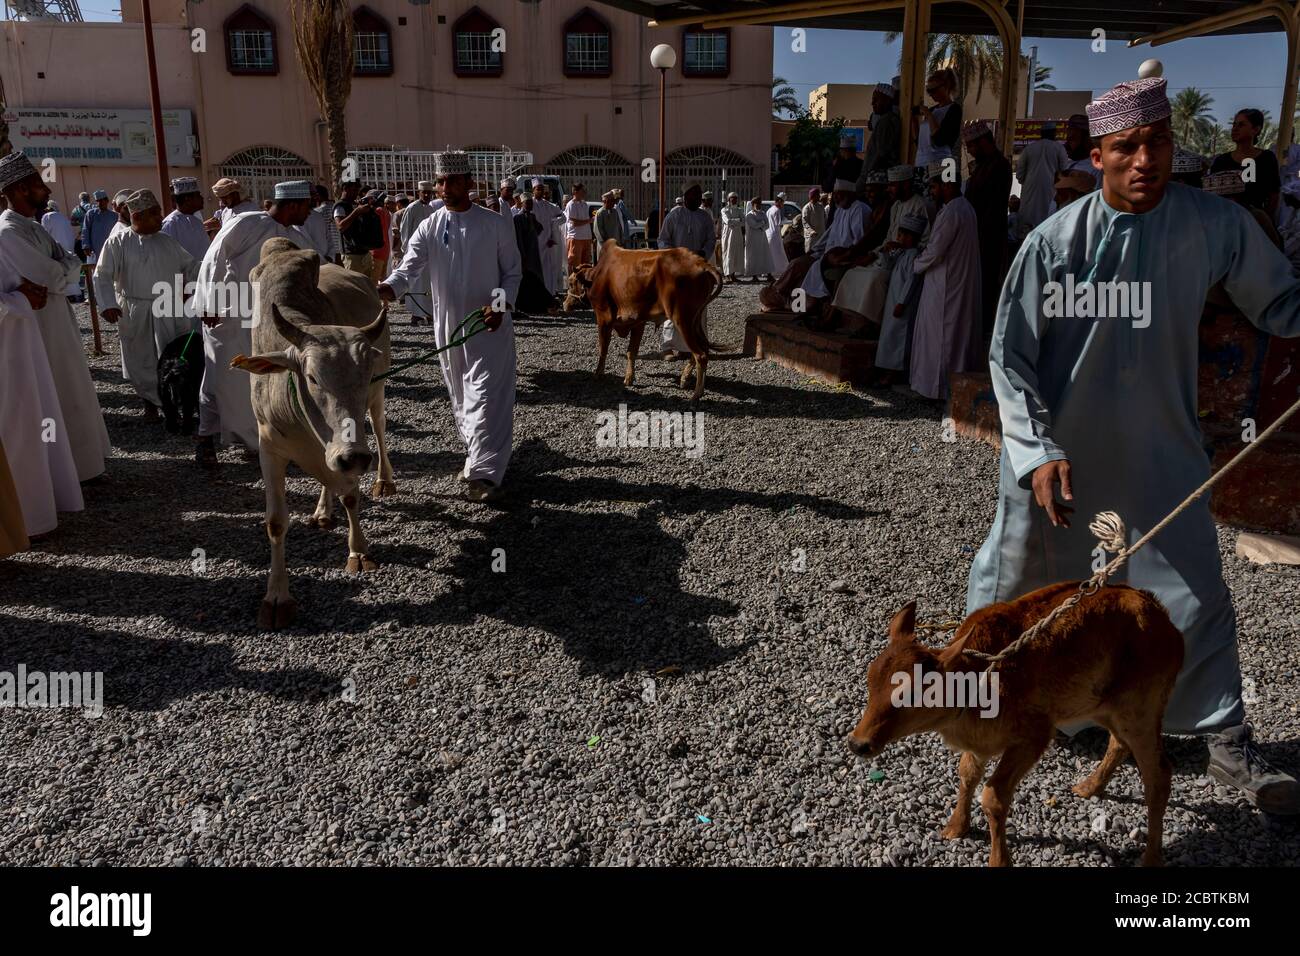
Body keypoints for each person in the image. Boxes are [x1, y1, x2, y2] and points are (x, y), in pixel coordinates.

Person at [971, 77, 1300, 813]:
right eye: (1126, 148)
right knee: (1033, 591)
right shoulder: (1053, 244)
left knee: (1193, 591)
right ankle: (1037, 717)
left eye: (1157, 144)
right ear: (1096, 155)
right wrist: (1035, 451)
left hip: (1162, 449)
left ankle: (1225, 740)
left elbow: (1279, 299)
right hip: (1061, 461)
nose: (1144, 161)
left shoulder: (1212, 225)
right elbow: (1008, 358)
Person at [378, 150, 522, 503]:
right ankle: (477, 456)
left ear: (469, 184)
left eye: (451, 181)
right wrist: (389, 288)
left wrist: (501, 305)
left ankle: (484, 473)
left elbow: (513, 271)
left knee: (485, 395)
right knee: (461, 395)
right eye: (440, 181)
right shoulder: (430, 224)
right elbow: (409, 266)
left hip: (488, 326)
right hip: (447, 328)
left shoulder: (495, 222)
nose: (444, 187)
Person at [0, 152, 111, 483]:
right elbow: (52, 275)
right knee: (53, 395)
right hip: (36, 329)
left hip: (56, 319)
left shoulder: (31, 227)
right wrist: (65, 271)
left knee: (72, 388)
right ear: (19, 189)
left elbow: (69, 265)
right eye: (38, 184)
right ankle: (60, 474)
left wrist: (65, 271)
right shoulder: (8, 233)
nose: (46, 190)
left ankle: (80, 465)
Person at [189, 180, 311, 468]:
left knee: (258, 380)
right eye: (306, 206)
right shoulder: (246, 223)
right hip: (227, 314)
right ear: (292, 205)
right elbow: (212, 260)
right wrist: (208, 303)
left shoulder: (296, 236)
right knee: (223, 380)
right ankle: (210, 439)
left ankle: (257, 442)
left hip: (264, 321)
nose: (309, 212)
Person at [0, 230, 83, 537]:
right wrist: (21, 299)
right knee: (16, 428)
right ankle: (23, 518)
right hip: (8, 353)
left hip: (16, 349)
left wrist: (21, 289)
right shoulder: (8, 231)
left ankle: (29, 513)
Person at [93, 188, 199, 420]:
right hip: (135, 310)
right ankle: (149, 405)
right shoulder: (118, 242)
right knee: (141, 358)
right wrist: (108, 304)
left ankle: (173, 403)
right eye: (155, 213)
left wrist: (195, 288)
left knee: (172, 357)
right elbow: (102, 274)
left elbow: (191, 266)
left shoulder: (168, 242)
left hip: (168, 308)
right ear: (137, 217)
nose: (161, 217)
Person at [909, 161, 981, 400]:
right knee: (954, 334)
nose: (932, 191)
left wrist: (915, 264)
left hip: (946, 285)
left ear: (946, 184)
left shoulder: (952, 211)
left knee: (941, 336)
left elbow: (936, 250)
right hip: (955, 281)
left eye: (934, 186)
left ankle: (937, 390)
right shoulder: (966, 207)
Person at [963, 120, 1014, 339]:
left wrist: (977, 237)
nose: (970, 152)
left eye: (972, 146)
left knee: (986, 286)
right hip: (976, 237)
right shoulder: (983, 166)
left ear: (983, 142)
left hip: (988, 238)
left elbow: (991, 208)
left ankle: (983, 334)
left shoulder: (999, 166)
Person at [866, 212, 927, 386]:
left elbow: (911, 281)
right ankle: (886, 371)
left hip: (902, 304)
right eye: (899, 234)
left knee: (898, 338)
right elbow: (886, 265)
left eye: (903, 235)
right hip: (893, 301)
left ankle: (894, 374)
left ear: (912, 237)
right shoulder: (902, 253)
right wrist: (886, 251)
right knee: (889, 337)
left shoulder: (915, 255)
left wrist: (902, 302)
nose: (900, 238)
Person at [657, 182, 716, 354]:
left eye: (699, 196)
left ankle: (694, 345)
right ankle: (668, 346)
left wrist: (703, 253)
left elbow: (711, 239)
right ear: (685, 197)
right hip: (677, 269)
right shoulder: (674, 215)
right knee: (673, 306)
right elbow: (663, 240)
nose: (698, 199)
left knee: (698, 306)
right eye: (694, 195)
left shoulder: (705, 217)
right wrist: (675, 255)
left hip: (697, 268)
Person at [1210, 108, 1281, 217]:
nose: (1234, 129)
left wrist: (1262, 222)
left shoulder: (1267, 158)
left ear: (1256, 129)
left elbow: (1274, 195)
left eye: (1241, 125)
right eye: (1234, 125)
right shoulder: (1221, 161)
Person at [399, 179, 444, 325]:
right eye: (424, 192)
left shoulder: (431, 209)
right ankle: (416, 314)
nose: (426, 195)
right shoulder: (412, 208)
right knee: (416, 284)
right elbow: (404, 230)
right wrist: (407, 251)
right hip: (415, 252)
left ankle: (428, 313)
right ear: (419, 193)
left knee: (427, 285)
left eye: (429, 193)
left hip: (429, 253)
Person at [1016, 121, 1068, 239]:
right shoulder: (1059, 149)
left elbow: (1019, 174)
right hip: (1051, 193)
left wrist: (1029, 183)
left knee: (1026, 232)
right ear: (1054, 133)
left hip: (1029, 194)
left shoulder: (1029, 149)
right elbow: (1065, 171)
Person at [914, 69, 963, 168]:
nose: (931, 94)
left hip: (942, 164)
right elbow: (920, 141)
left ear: (946, 87)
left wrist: (928, 115)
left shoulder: (954, 109)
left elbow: (940, 140)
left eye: (934, 90)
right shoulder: (932, 110)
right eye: (928, 91)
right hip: (922, 164)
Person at [333, 180, 383, 277]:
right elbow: (340, 226)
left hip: (365, 253)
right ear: (345, 189)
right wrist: (356, 212)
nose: (356, 193)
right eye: (354, 190)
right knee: (356, 287)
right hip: (352, 256)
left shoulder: (355, 204)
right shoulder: (340, 206)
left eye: (357, 190)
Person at [858, 83, 901, 183]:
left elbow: (881, 154)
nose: (872, 103)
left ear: (887, 100)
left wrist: (867, 177)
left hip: (876, 179)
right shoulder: (885, 120)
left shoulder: (886, 121)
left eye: (876, 100)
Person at [161, 176, 211, 261]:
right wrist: (178, 275)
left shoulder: (196, 221)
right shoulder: (171, 224)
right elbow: (169, 258)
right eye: (198, 195)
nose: (202, 198)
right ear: (187, 199)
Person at [531, 182, 565, 295]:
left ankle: (549, 294)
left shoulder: (548, 205)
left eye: (541, 189)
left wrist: (554, 224)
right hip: (534, 244)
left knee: (548, 270)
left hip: (547, 244)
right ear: (533, 190)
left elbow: (563, 217)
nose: (540, 191)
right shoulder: (529, 204)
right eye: (538, 189)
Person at [1063, 114, 1102, 189]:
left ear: (1087, 139)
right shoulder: (1065, 163)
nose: (1068, 144)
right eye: (1068, 139)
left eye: (1073, 139)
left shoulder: (1096, 170)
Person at [81, 189, 118, 264]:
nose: (100, 203)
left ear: (107, 200)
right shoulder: (91, 214)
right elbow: (85, 230)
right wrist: (86, 246)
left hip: (111, 247)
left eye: (102, 200)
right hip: (95, 248)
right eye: (98, 201)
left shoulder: (114, 215)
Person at [565, 184, 594, 273]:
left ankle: (583, 285)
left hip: (586, 238)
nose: (584, 193)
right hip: (576, 238)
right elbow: (574, 223)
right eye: (582, 191)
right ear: (575, 192)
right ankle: (573, 284)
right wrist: (589, 221)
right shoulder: (571, 205)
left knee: (586, 264)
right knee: (574, 264)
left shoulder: (584, 204)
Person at [743, 197, 774, 281]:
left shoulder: (763, 213)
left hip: (762, 238)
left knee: (765, 256)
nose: (759, 206)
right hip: (753, 239)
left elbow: (767, 225)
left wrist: (761, 225)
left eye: (760, 204)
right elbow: (754, 225)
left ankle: (769, 274)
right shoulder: (749, 215)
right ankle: (754, 276)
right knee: (754, 257)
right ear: (753, 205)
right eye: (757, 204)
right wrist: (762, 223)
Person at [313, 184, 343, 265]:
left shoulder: (317, 212)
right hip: (342, 250)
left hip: (328, 253)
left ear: (317, 196)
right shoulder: (338, 208)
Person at [720, 192, 745, 281]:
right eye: (732, 198)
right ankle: (727, 274)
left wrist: (734, 222)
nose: (734, 200)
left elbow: (743, 222)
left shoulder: (739, 210)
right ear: (728, 199)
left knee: (736, 254)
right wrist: (737, 220)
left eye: (735, 198)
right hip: (728, 234)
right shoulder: (724, 210)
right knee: (728, 253)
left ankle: (733, 275)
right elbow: (728, 221)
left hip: (737, 234)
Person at [369, 190, 393, 283]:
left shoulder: (378, 211)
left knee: (373, 283)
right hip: (385, 250)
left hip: (376, 251)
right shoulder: (387, 212)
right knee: (383, 279)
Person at [593, 190, 624, 255]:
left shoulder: (615, 212)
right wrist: (607, 243)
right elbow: (597, 231)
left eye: (614, 201)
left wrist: (620, 241)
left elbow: (619, 227)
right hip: (605, 247)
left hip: (616, 246)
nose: (614, 203)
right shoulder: (600, 213)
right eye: (612, 201)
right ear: (606, 201)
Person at [766, 192, 789, 278]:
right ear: (779, 201)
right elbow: (779, 223)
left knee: (771, 254)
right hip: (775, 234)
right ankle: (777, 271)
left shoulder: (770, 209)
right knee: (777, 254)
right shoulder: (777, 210)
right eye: (783, 202)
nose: (783, 204)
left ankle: (769, 272)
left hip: (769, 234)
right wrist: (788, 221)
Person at [802, 187, 826, 253]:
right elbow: (805, 222)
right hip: (811, 237)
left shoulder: (821, 206)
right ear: (813, 196)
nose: (819, 196)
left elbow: (825, 219)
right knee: (810, 255)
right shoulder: (807, 208)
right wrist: (811, 231)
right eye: (818, 195)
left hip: (821, 236)